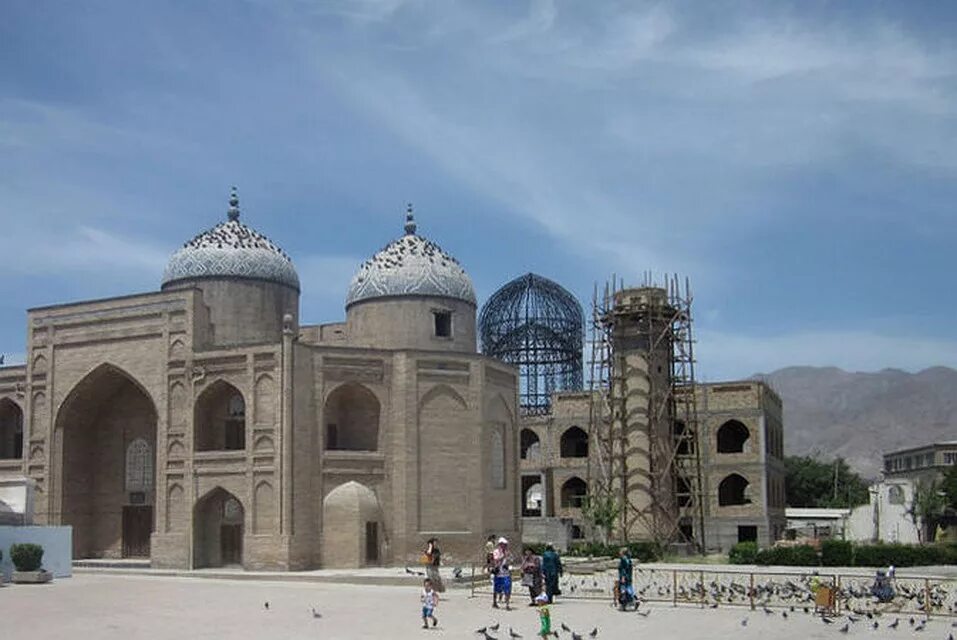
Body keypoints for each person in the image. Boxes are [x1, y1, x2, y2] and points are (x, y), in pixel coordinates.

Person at [492, 537, 513, 610]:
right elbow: (496, 560)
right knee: (496, 589)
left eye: (505, 544)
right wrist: (503, 556)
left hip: (506, 573)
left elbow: (511, 560)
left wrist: (509, 562)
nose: (504, 546)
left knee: (507, 588)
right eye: (502, 544)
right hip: (498, 574)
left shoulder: (508, 552)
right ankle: (494, 602)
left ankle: (507, 604)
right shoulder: (496, 551)